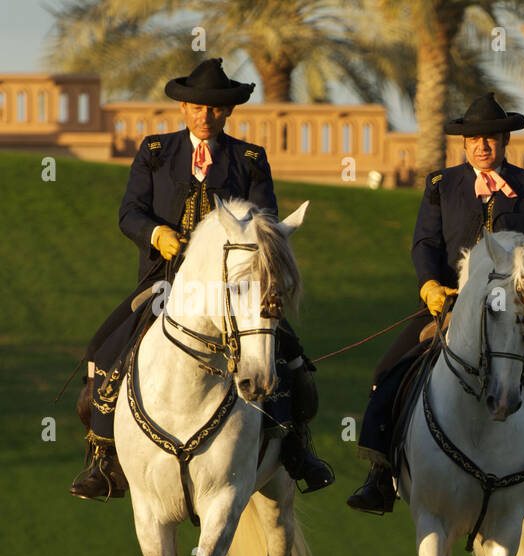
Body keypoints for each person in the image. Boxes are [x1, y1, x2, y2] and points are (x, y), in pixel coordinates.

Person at [70, 58, 333, 501]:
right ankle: (102, 461)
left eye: (214, 109)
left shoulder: (249, 159)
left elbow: (264, 223)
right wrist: (157, 233)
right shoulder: (155, 152)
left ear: (227, 112)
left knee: (288, 357)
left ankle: (295, 448)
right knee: (104, 351)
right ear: (183, 108)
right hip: (163, 283)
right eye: (197, 107)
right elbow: (130, 212)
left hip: (235, 289)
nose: (205, 116)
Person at [346, 93, 524, 523]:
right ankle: (379, 475)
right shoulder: (441, 185)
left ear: (505, 140)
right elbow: (426, 242)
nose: (483, 146)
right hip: (449, 305)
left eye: (492, 138)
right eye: (475, 139)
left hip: (512, 310)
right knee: (387, 372)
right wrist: (428, 286)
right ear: (464, 144)